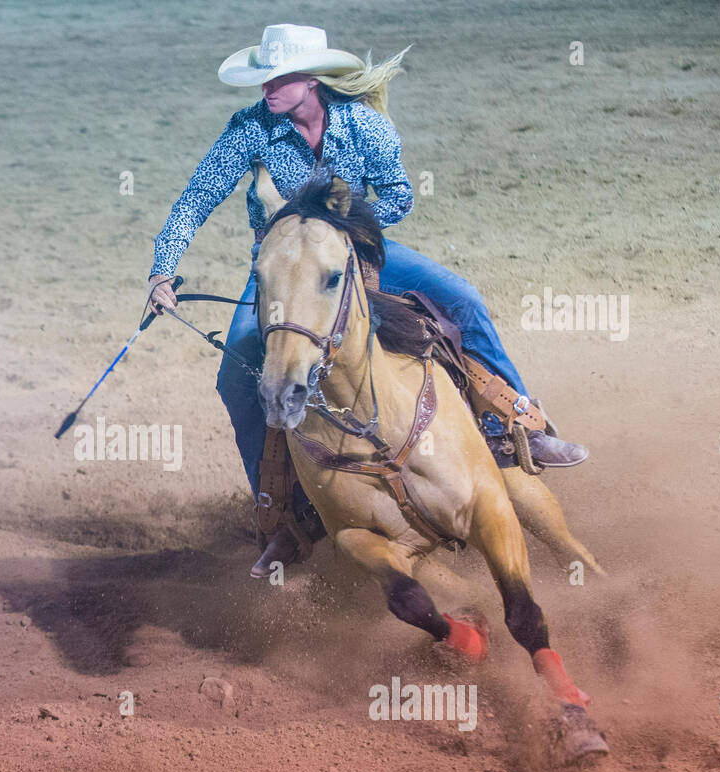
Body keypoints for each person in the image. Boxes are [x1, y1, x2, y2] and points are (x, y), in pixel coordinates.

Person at [145, 24, 588, 577]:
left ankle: (516, 426)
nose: (268, 90)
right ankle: (281, 516)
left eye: (279, 78)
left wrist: (348, 223)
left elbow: (399, 195)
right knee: (235, 376)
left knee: (466, 302)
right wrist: (164, 270)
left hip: (359, 250)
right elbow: (196, 198)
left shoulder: (366, 126)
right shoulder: (248, 131)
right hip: (285, 268)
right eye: (265, 79)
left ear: (311, 81)